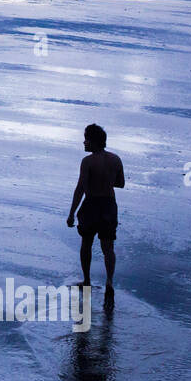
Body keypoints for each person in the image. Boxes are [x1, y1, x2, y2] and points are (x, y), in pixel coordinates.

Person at [66, 123, 124, 291]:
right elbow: (120, 183)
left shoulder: (87, 161)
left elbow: (80, 189)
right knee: (108, 247)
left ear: (94, 142)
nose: (84, 143)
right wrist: (106, 179)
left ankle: (86, 281)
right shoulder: (115, 159)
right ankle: (109, 282)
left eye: (86, 140)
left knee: (86, 244)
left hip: (91, 205)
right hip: (109, 205)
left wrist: (71, 213)